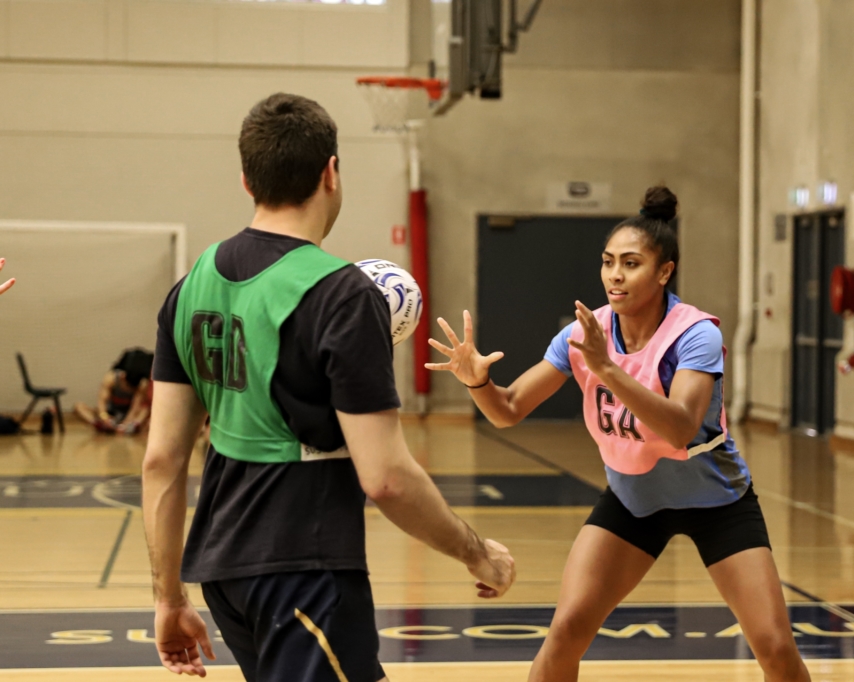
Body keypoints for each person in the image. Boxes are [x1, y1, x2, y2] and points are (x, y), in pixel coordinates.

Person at [142, 93, 514, 682]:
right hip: (303, 572)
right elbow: (387, 479)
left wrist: (168, 597)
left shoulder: (191, 286)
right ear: (331, 172)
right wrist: (476, 552)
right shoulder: (342, 295)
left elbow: (161, 461)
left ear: (247, 180)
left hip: (224, 574)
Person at [427, 187, 811, 682]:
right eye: (608, 262)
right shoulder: (584, 333)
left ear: (664, 272)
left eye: (631, 264)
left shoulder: (696, 334)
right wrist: (477, 382)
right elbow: (508, 409)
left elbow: (680, 427)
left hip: (717, 502)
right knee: (566, 631)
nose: (614, 274)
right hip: (633, 502)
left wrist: (607, 368)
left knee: (776, 648)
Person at [74, 349, 153, 435]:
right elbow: (101, 402)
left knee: (145, 410)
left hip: (127, 415)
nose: (130, 390)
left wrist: (125, 423)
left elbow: (135, 408)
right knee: (79, 406)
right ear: (123, 377)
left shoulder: (142, 385)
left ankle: (133, 426)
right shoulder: (110, 378)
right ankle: (99, 425)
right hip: (111, 413)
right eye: (128, 386)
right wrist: (104, 417)